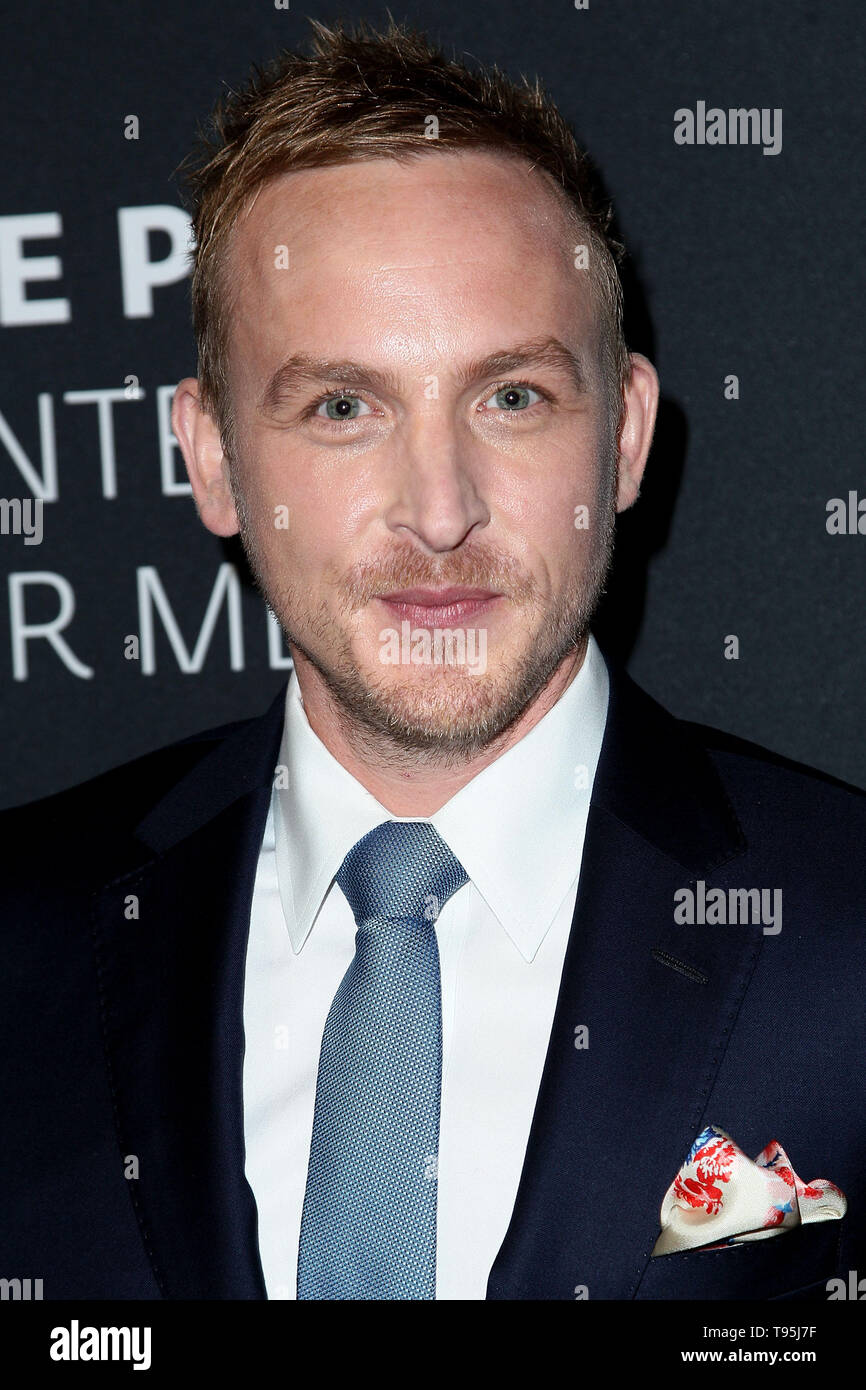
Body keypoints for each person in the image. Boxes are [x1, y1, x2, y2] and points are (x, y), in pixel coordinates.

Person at [1, 17, 863, 1302]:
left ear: (622, 436)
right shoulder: (25, 942)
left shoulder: (843, 938)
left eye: (509, 396)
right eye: (341, 408)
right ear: (214, 457)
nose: (440, 509)